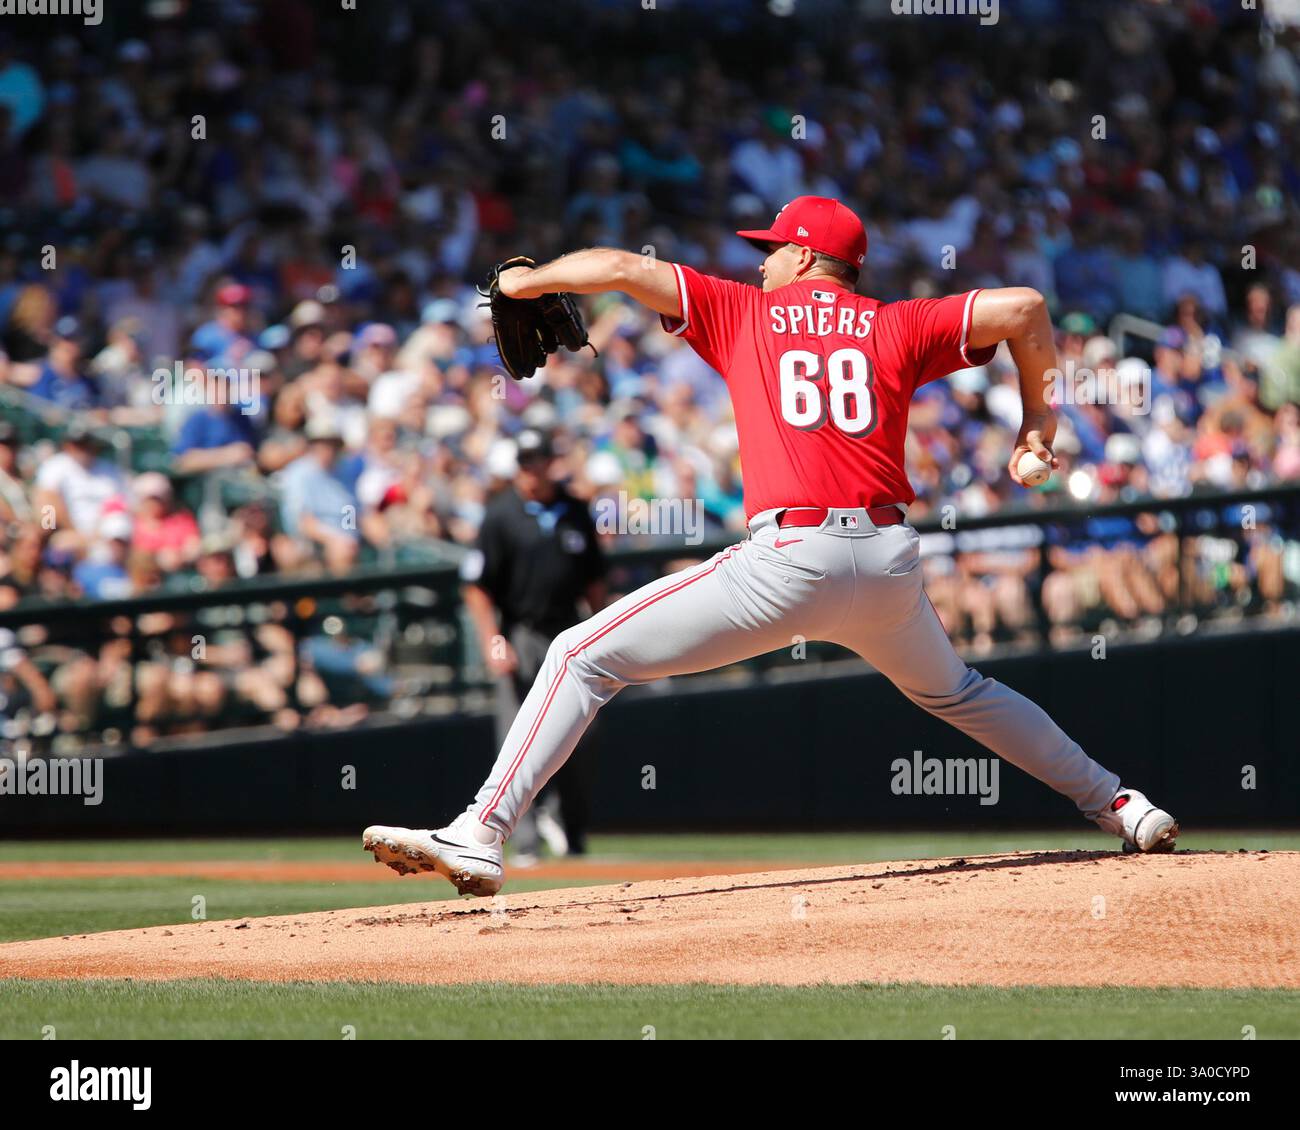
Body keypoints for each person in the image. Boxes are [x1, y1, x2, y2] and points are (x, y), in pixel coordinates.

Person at [362, 195, 1180, 894]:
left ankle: (479, 830)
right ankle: (1121, 804)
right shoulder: (897, 324)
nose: (759, 266)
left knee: (581, 656)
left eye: (770, 251)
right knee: (961, 693)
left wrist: (520, 281)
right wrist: (1039, 427)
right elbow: (1028, 307)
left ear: (803, 253)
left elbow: (618, 265)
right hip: (889, 563)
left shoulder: (744, 311)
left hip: (790, 561)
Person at [459, 428, 607, 864]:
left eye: (536, 460)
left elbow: (596, 581)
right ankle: (521, 841)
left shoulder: (575, 510)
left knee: (582, 731)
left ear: (549, 462)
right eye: (523, 462)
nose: (529, 470)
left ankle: (570, 830)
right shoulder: (501, 513)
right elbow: (477, 586)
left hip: (569, 628)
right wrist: (494, 641)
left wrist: (599, 628)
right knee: (515, 735)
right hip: (519, 632)